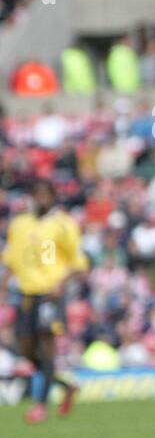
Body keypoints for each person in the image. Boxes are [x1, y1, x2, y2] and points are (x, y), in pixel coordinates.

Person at [2, 180, 87, 424]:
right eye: (36, 194)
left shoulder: (63, 224)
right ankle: (65, 386)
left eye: (45, 194)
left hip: (50, 294)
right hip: (26, 294)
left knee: (47, 345)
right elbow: (11, 258)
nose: (41, 199)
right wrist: (3, 285)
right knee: (26, 348)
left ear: (52, 197)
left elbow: (77, 262)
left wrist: (61, 283)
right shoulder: (20, 224)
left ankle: (40, 405)